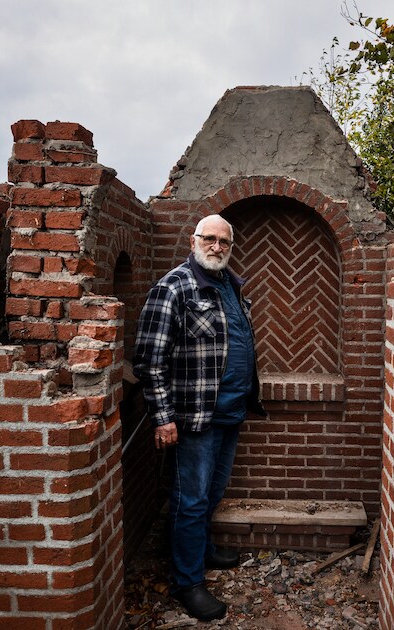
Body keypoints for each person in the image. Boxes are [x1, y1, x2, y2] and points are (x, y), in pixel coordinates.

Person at [133, 213, 265, 621]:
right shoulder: (173, 287)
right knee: (190, 500)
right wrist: (163, 417)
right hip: (193, 418)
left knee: (211, 493)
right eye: (209, 239)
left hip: (229, 413)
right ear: (194, 241)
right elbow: (149, 360)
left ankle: (201, 550)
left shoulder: (229, 284)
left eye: (224, 241)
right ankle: (187, 581)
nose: (217, 247)